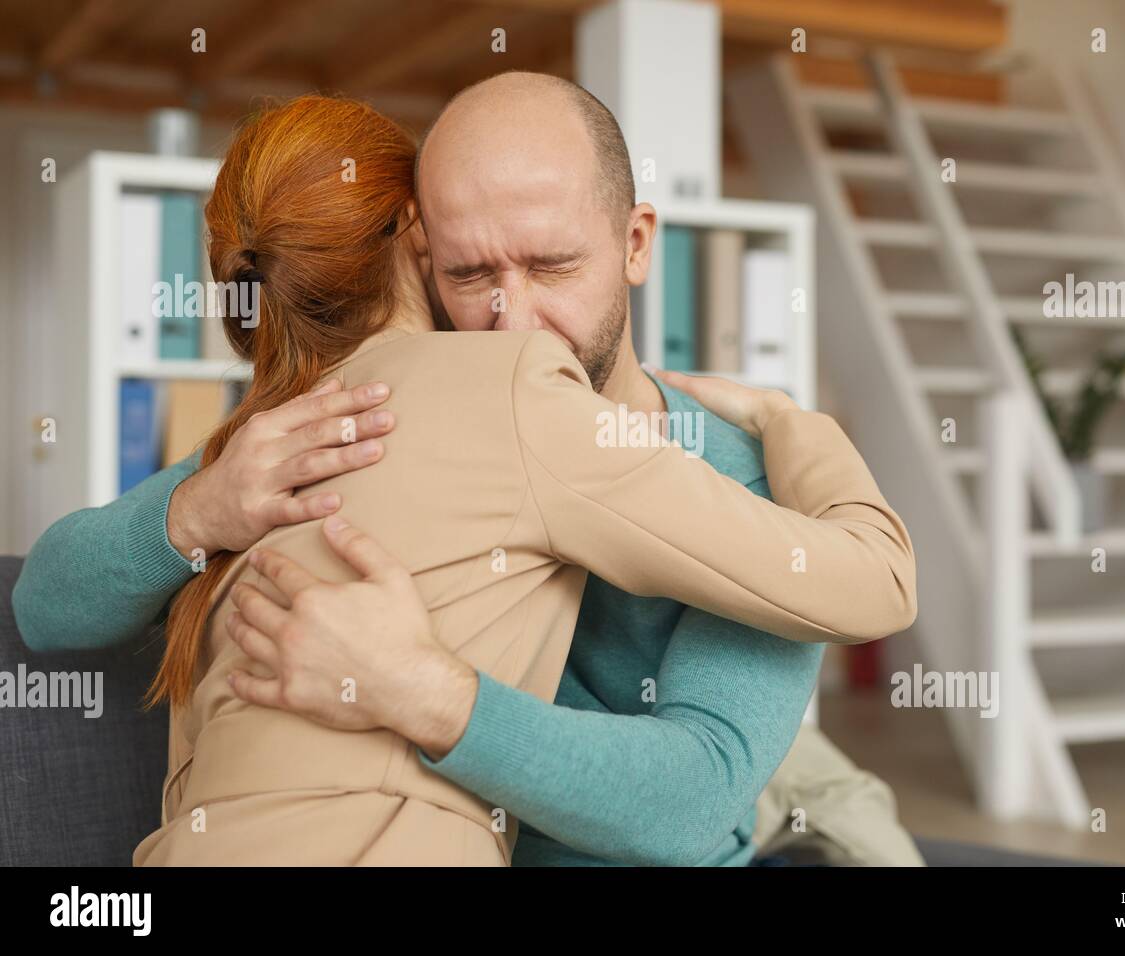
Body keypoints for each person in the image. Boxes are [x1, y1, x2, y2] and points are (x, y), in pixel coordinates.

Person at [16, 74, 917, 867]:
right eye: (470, 271)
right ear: (416, 254)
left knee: (824, 797)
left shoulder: (739, 471)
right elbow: (45, 603)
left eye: (552, 265)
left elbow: (687, 804)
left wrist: (429, 694)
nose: (511, 318)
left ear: (637, 244)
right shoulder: (357, 428)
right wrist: (194, 508)